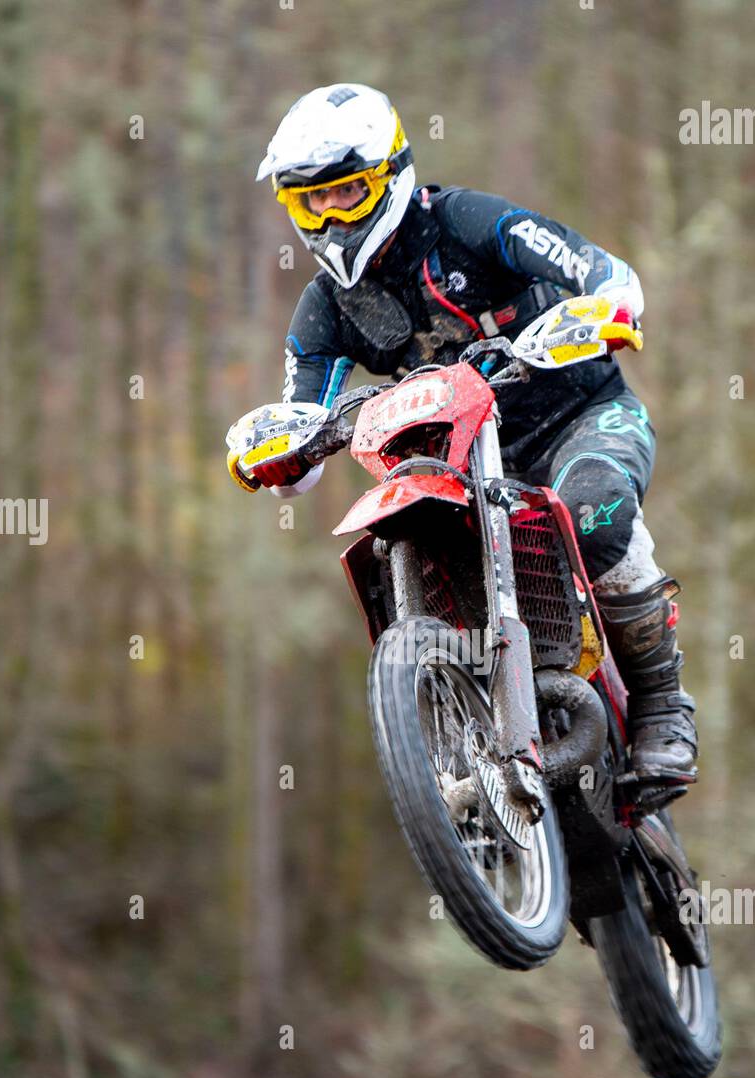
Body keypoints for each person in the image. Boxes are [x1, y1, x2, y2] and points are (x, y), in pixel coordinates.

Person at [239, 82, 697, 791]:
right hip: (464, 471)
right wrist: (278, 451)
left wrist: (599, 308)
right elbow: (301, 435)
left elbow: (601, 272)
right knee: (415, 548)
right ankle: (466, 731)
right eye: (310, 201)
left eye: (346, 194)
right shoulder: (324, 309)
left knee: (594, 510)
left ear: (390, 175)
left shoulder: (466, 222)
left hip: (578, 419)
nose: (329, 219)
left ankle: (663, 710)